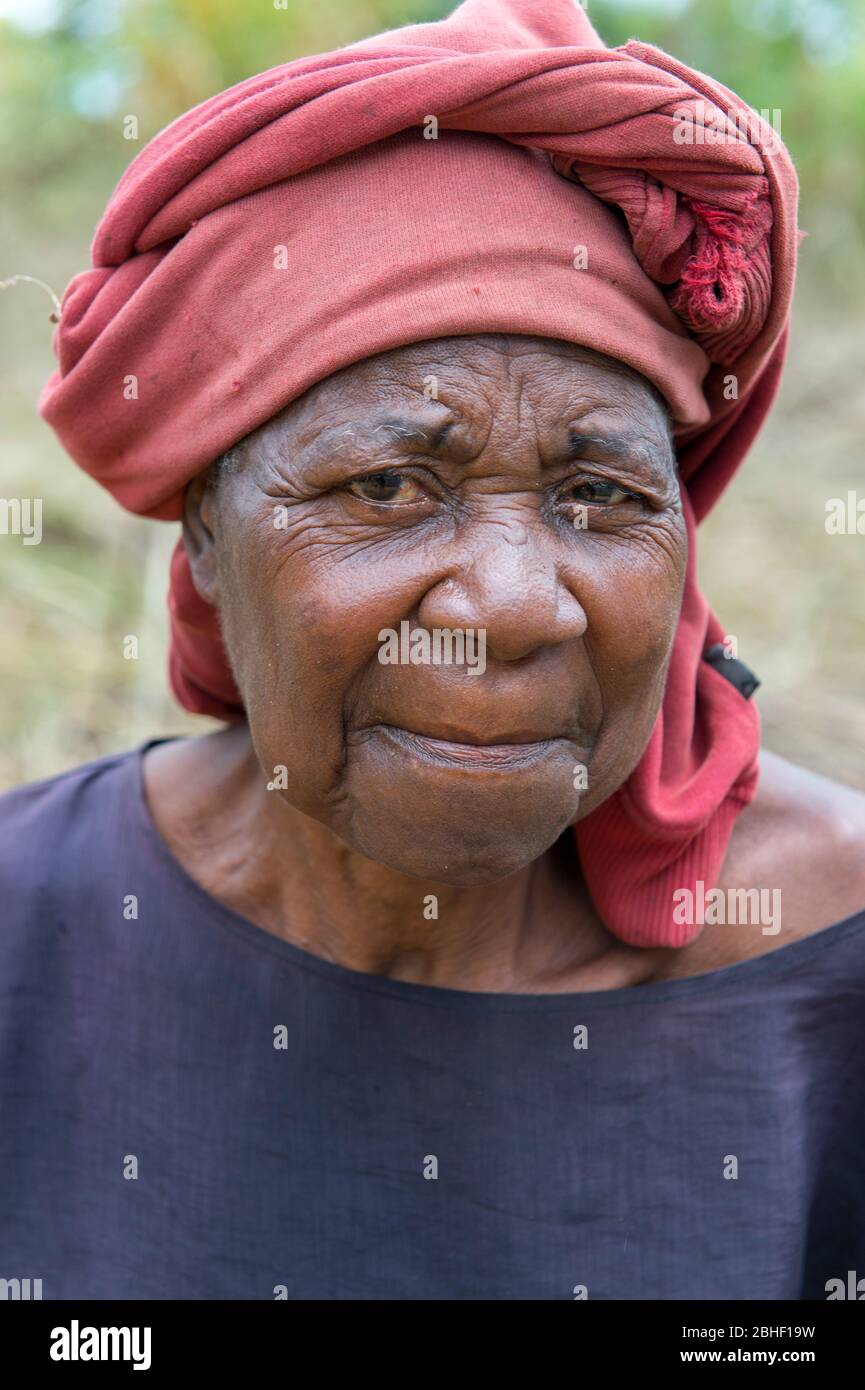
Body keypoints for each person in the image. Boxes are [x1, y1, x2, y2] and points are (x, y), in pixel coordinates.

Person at [1, 0, 863, 1301]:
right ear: (203, 540)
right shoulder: (28, 931)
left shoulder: (827, 959)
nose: (517, 605)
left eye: (600, 497)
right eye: (391, 485)